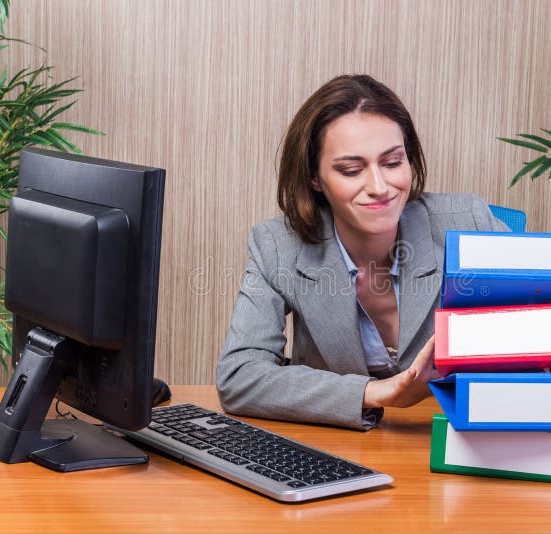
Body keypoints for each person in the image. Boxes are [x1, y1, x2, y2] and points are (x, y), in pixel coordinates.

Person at [216, 74, 509, 430]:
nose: (379, 187)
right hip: (338, 446)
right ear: (314, 178)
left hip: (450, 436)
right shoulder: (277, 245)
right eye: (352, 170)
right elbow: (239, 376)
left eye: (393, 162)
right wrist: (373, 392)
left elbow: (549, 328)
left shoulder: (469, 221)